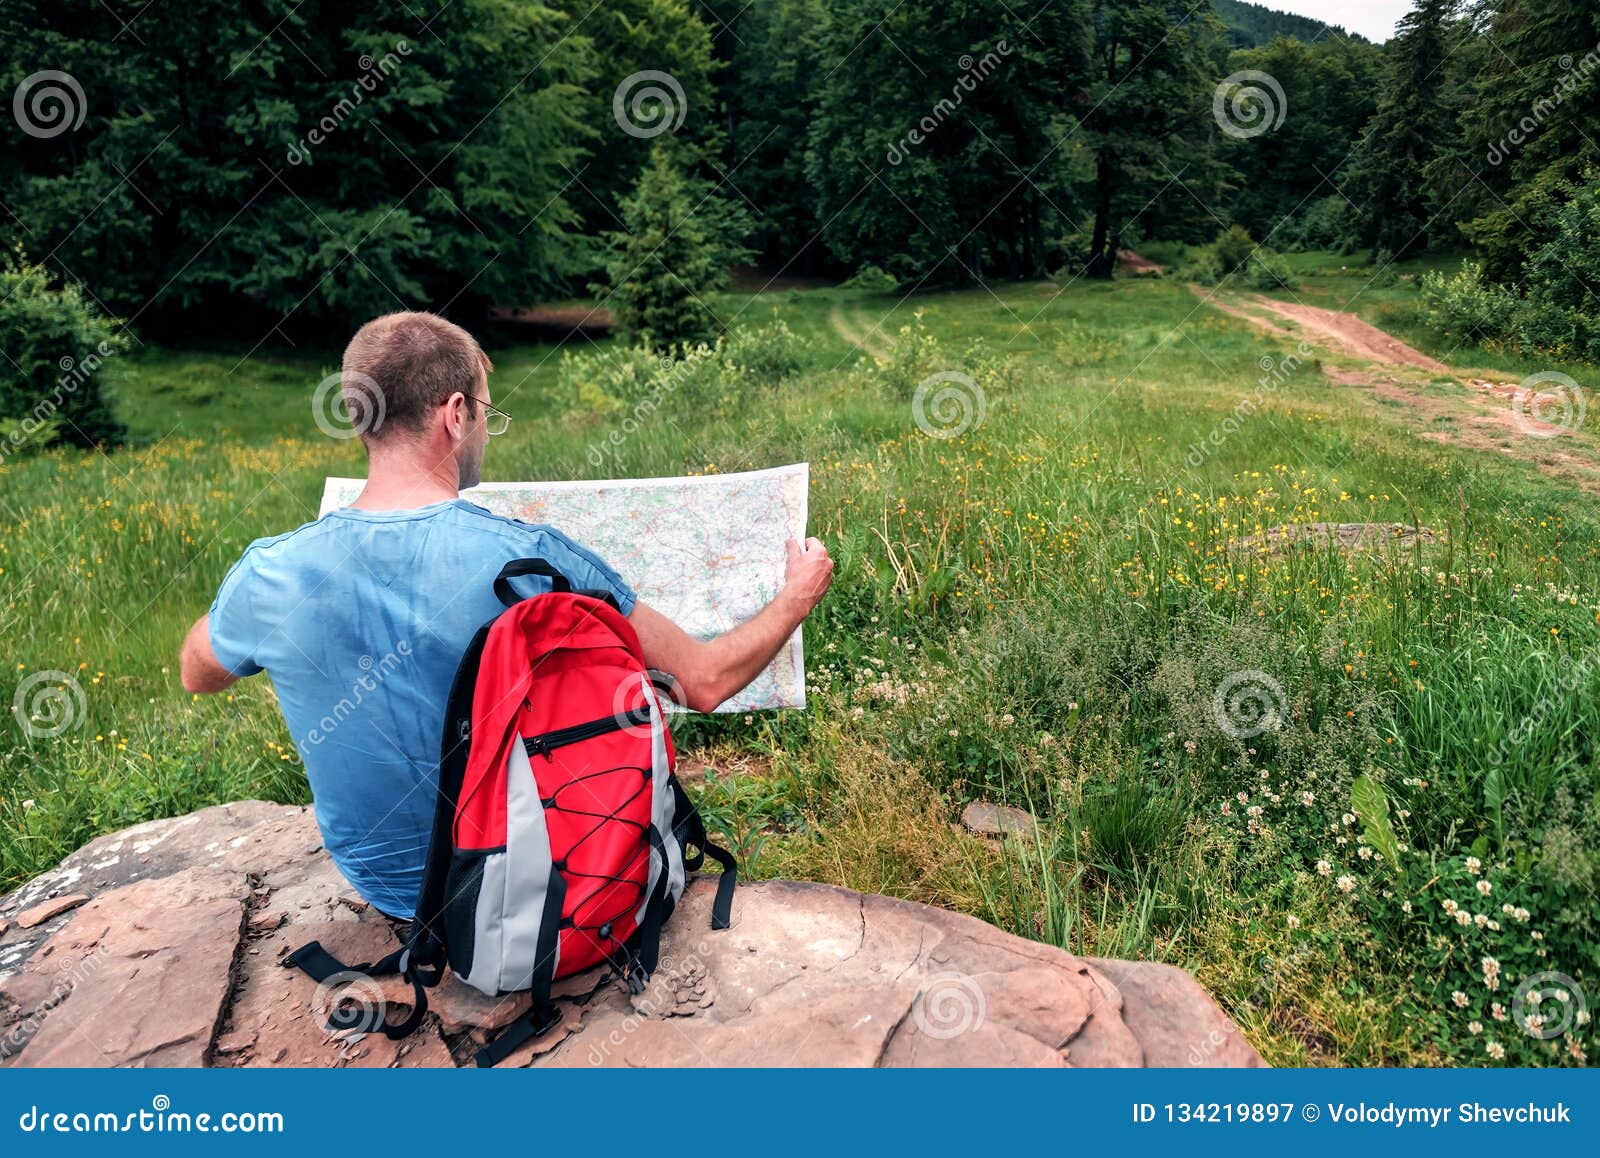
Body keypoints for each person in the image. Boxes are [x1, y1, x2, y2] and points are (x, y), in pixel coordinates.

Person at [178, 310, 832, 922]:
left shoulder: (273, 571)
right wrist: (797, 594)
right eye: (488, 409)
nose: (487, 427)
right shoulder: (528, 561)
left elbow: (197, 672)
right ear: (455, 415)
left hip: (384, 890)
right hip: (534, 896)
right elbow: (706, 682)